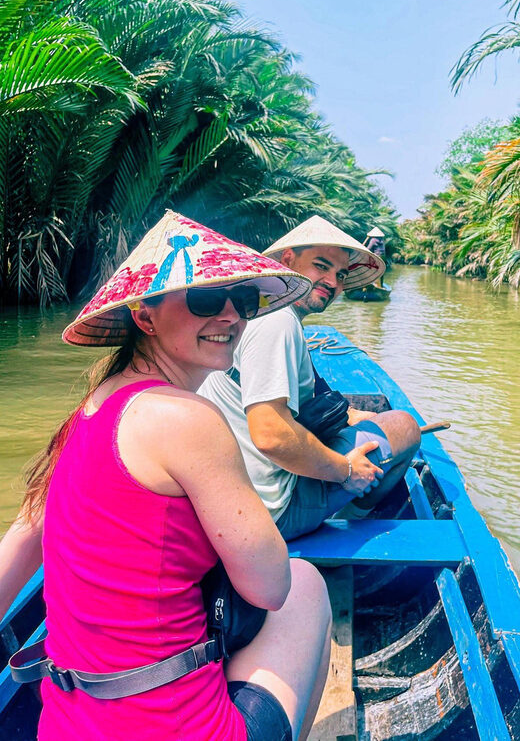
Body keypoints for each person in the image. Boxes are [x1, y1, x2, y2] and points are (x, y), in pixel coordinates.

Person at [0, 211, 332, 741]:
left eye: (243, 302)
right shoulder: (189, 419)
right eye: (204, 300)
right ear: (145, 317)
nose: (231, 317)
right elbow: (271, 586)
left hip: (67, 725)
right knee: (307, 586)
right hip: (172, 729)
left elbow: (25, 532)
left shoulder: (90, 408)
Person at [199, 214, 421, 541]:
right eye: (321, 266)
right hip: (269, 513)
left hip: (225, 499)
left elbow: (305, 397)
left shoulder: (256, 308)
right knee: (405, 427)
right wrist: (346, 470)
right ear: (288, 260)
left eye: (341, 274)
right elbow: (271, 435)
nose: (333, 282)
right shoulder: (279, 323)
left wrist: (350, 415)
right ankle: (344, 528)